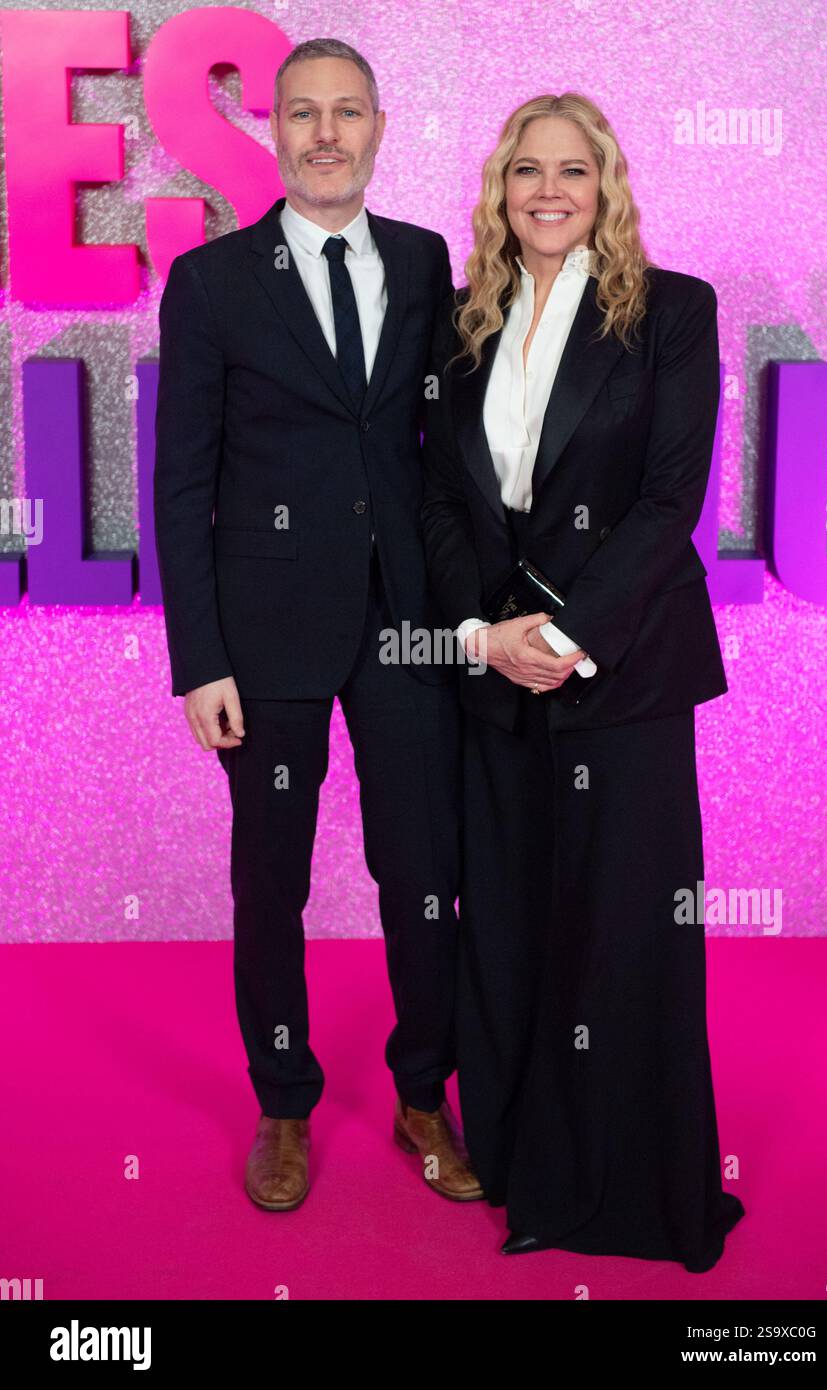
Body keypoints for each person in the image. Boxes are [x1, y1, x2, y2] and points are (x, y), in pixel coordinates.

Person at [154, 38, 482, 1211]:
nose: (325, 133)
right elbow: (180, 483)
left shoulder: (425, 258)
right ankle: (283, 1105)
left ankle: (420, 1095)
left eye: (347, 112)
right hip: (266, 635)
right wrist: (200, 660)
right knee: (271, 880)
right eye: (302, 114)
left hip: (405, 626)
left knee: (421, 868)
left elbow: (441, 448)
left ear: (379, 127)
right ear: (273, 131)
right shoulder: (211, 283)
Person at [421, 92, 745, 1271]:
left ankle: (624, 1189)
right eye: (524, 172)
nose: (546, 191)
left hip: (622, 676)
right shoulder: (463, 322)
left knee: (618, 931)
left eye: (571, 170)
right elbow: (443, 502)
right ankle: (520, 1166)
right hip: (492, 678)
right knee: (504, 927)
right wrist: (478, 630)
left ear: (605, 185)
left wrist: (557, 633)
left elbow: (670, 502)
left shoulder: (670, 311)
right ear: (497, 190)